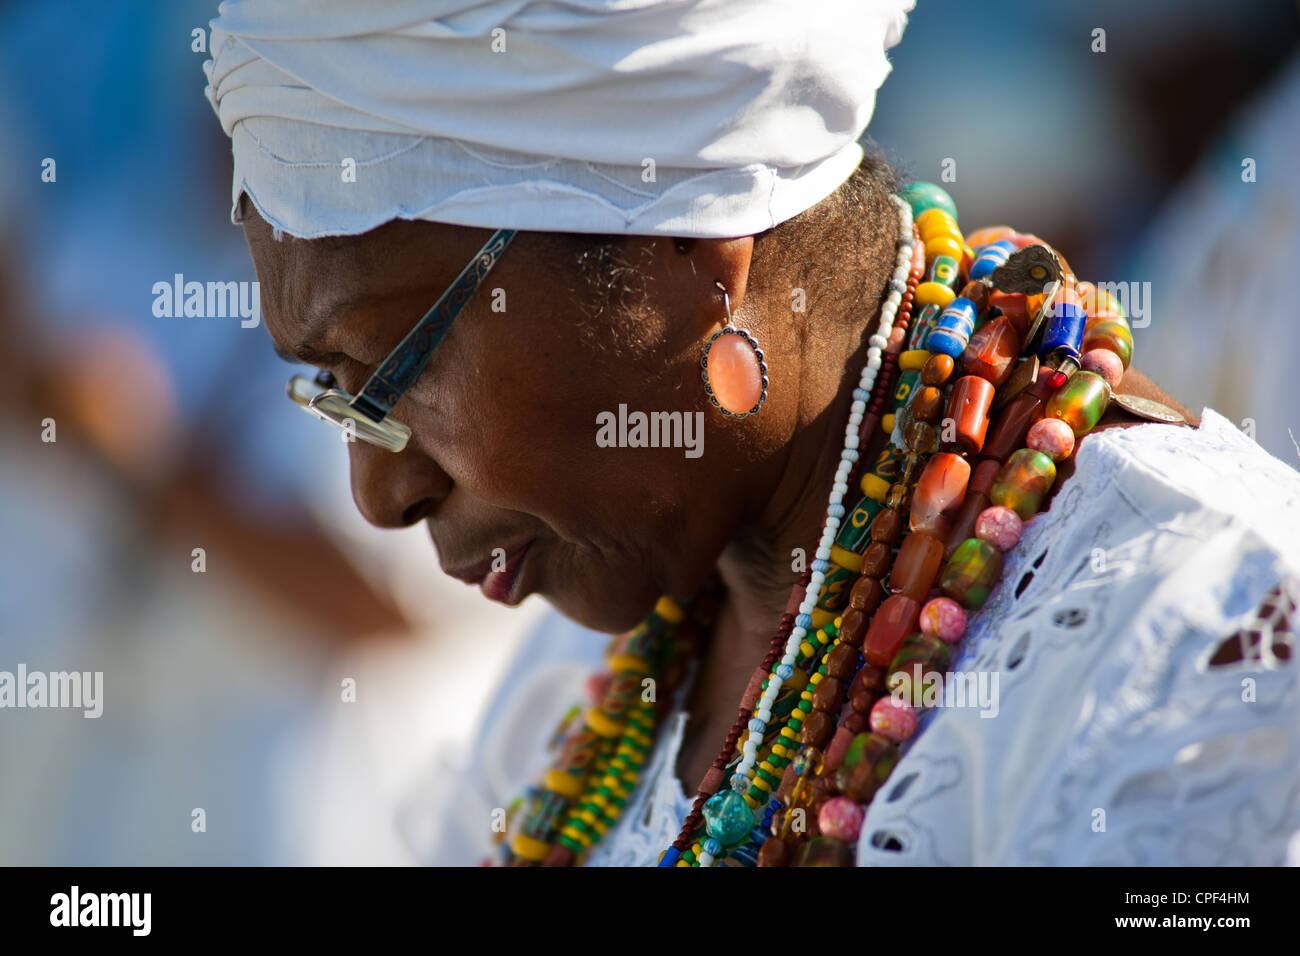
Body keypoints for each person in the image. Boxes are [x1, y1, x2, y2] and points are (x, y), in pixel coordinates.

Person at [204, 0, 1300, 866]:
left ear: (683, 248)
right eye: (334, 397)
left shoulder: (1201, 634)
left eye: (386, 370)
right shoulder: (581, 681)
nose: (378, 493)